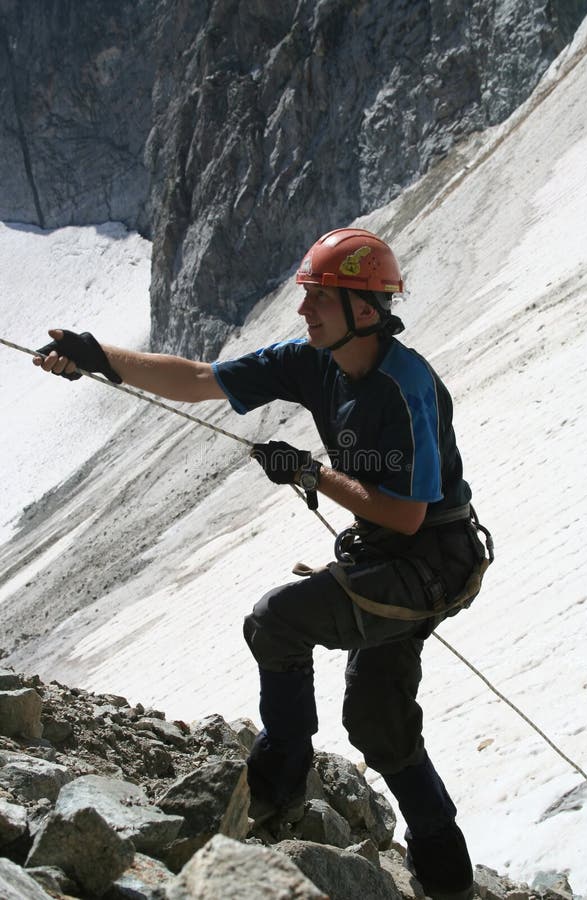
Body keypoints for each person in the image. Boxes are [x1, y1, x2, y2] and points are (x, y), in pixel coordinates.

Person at [35, 228, 492, 900]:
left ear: (364, 310)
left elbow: (406, 514)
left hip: (429, 559)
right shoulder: (313, 360)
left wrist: (309, 473)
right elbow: (198, 381)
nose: (303, 310)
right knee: (376, 719)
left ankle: (280, 772)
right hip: (392, 557)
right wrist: (99, 357)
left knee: (276, 622)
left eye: (318, 299)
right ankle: (446, 869)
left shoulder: (405, 386)